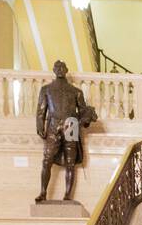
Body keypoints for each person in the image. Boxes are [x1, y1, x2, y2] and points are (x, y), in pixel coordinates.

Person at [35, 60, 97, 203]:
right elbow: (41, 111)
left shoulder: (76, 92)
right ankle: (43, 192)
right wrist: (39, 126)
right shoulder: (46, 89)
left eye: (63, 67)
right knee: (47, 160)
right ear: (54, 70)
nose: (60, 69)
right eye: (58, 67)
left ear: (66, 70)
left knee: (70, 162)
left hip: (72, 124)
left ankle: (68, 195)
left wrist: (88, 117)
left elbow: (82, 112)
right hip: (53, 125)